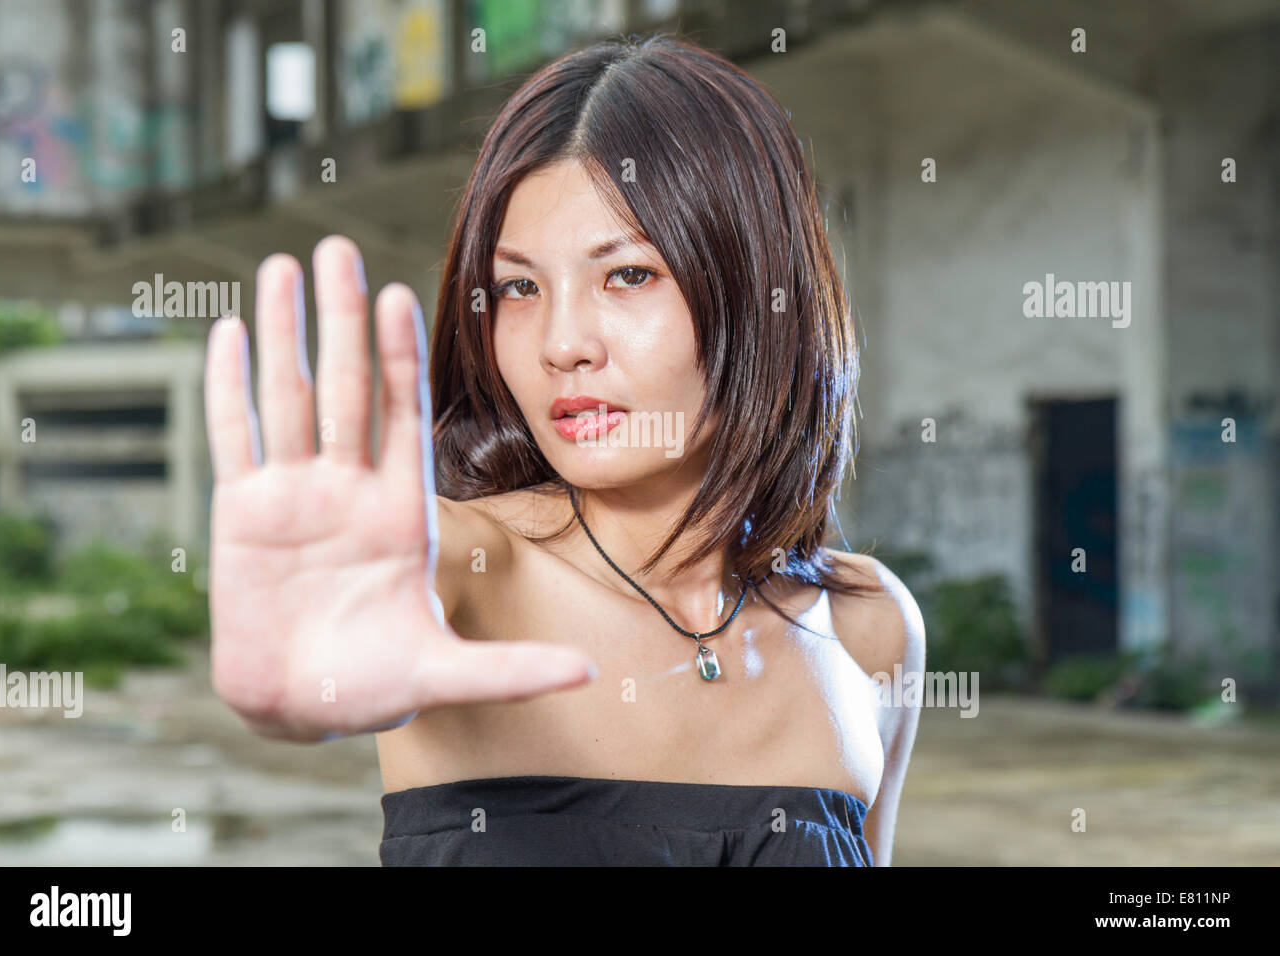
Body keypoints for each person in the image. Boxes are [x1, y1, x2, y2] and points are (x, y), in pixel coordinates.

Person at [202, 32, 924, 866]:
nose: (562, 343)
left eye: (627, 276)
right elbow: (344, 646)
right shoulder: (466, 568)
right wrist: (302, 687)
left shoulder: (871, 628)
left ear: (763, 296)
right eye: (519, 287)